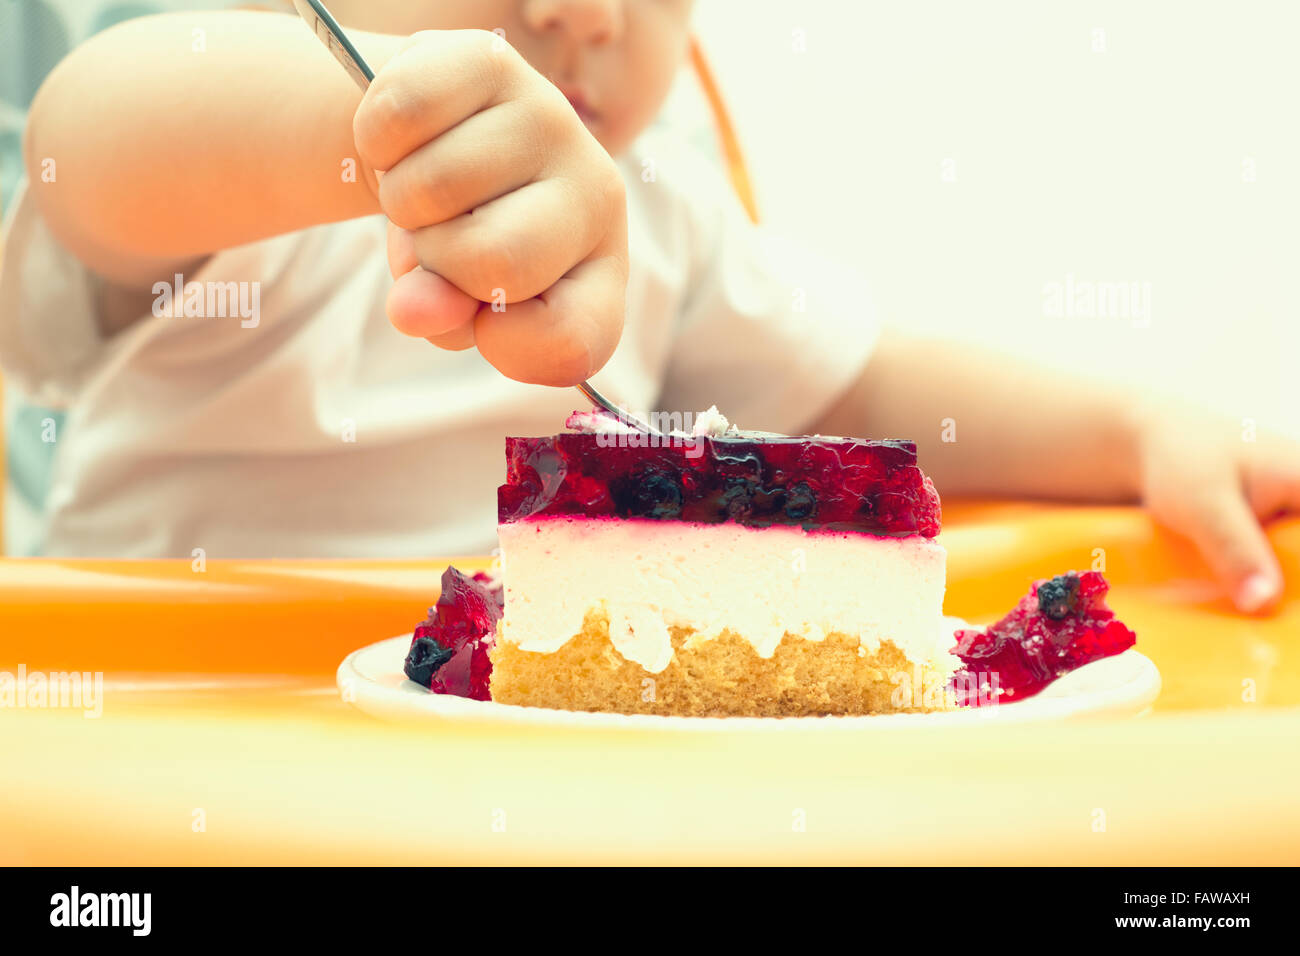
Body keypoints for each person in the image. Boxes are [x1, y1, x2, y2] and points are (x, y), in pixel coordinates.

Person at [1, 1, 1296, 613]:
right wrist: (379, 118)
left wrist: (1135, 429)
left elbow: (862, 388)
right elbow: (89, 147)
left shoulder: (661, 202)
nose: (586, 14)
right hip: (175, 718)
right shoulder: (246, 173)